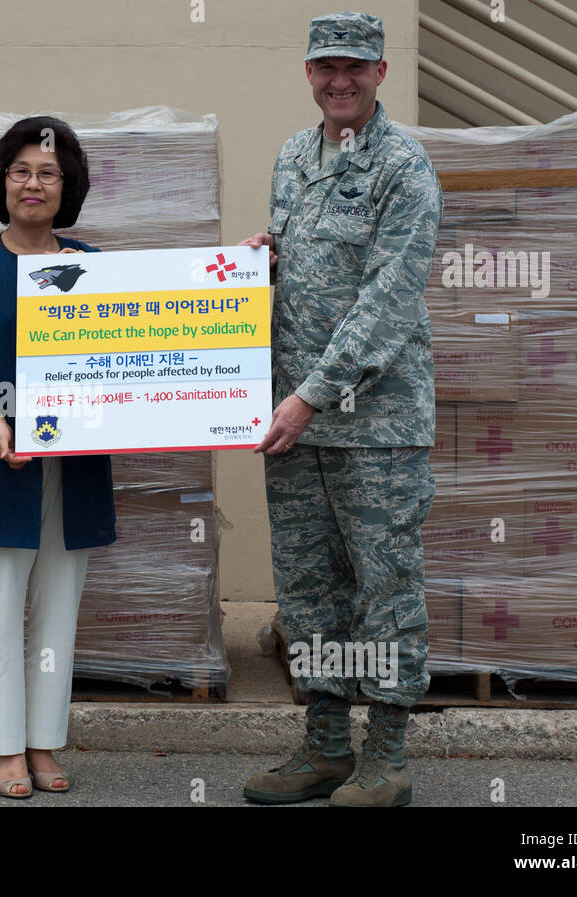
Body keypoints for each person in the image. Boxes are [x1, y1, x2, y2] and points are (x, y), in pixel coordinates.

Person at [239, 12, 443, 807]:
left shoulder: (404, 166)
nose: (339, 80)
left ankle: (386, 753)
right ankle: (325, 743)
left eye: (354, 67)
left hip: (374, 424)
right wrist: (258, 263)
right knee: (309, 585)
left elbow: (388, 301)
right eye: (326, 66)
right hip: (292, 422)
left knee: (384, 587)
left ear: (381, 72)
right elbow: (309, 262)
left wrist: (309, 396)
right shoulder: (295, 154)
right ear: (309, 72)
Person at [0, 116, 116, 798]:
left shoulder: (94, 266)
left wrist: (244, 272)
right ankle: (3, 746)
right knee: (0, 604)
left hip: (74, 465)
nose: (33, 183)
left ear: (66, 186)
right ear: (0, 182)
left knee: (59, 609)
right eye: (19, 170)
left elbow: (127, 353)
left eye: (47, 172)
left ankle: (43, 740)